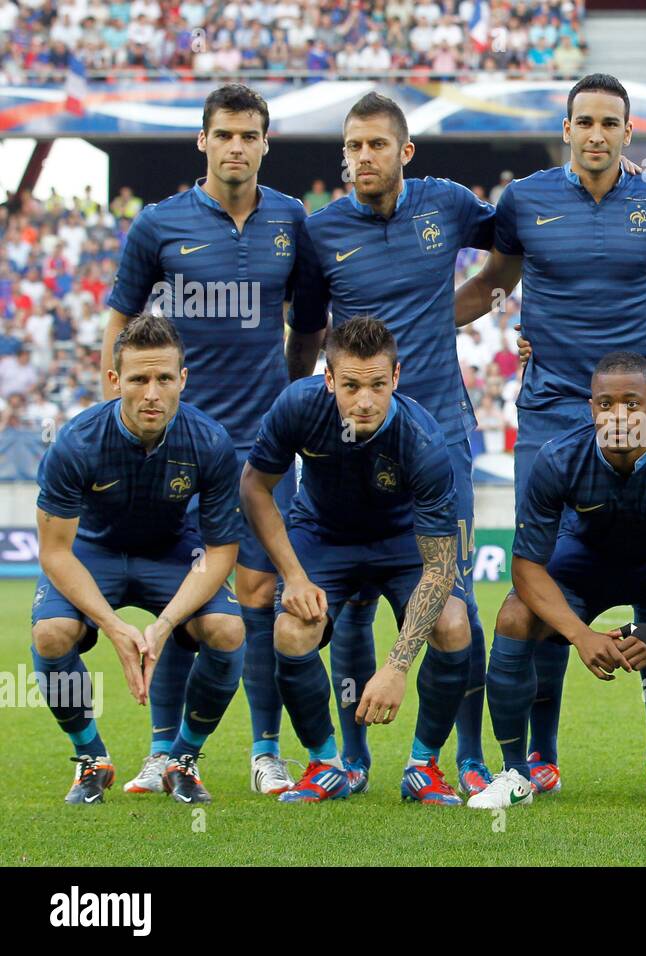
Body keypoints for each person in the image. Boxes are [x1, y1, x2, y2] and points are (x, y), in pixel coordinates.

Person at [454, 73, 646, 797]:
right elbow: (497, 280)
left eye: (609, 122)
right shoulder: (525, 201)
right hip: (555, 406)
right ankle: (540, 758)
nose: (595, 134)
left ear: (627, 132)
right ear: (566, 128)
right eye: (583, 121)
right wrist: (419, 325)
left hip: (641, 409)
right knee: (543, 578)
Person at [103, 84, 322, 798]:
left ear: (265, 143)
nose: (236, 146)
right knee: (184, 598)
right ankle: (163, 753)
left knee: (259, 593)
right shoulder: (159, 224)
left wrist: (288, 401)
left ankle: (266, 752)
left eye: (249, 135)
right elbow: (120, 320)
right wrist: (121, 401)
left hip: (260, 450)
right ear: (203, 140)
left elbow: (310, 325)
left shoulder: (292, 219)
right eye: (224, 134)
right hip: (178, 446)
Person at [295, 92, 495, 797]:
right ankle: (352, 758)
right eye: (352, 146)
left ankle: (456, 758)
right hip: (354, 441)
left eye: (376, 145)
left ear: (405, 151)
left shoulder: (448, 205)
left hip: (441, 433)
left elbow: (511, 258)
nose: (362, 158)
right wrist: (303, 416)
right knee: (346, 603)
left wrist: (460, 310)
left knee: (456, 604)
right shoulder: (322, 233)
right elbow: (308, 332)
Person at [467, 351, 646, 810]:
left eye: (631, 403)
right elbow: (525, 568)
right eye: (605, 404)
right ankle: (514, 774)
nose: (618, 416)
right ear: (591, 408)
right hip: (586, 567)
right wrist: (579, 635)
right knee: (514, 614)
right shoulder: (558, 458)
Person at [241, 318, 471, 804]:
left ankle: (422, 768)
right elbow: (254, 487)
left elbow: (439, 567)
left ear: (396, 378)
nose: (364, 400)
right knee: (291, 629)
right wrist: (294, 575)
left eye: (376, 385)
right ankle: (325, 765)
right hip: (322, 537)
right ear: (328, 380)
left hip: (400, 544)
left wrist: (396, 665)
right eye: (350, 385)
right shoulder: (297, 407)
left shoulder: (425, 442)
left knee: (453, 622)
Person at [33, 315, 245, 805]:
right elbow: (55, 551)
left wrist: (167, 623)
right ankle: (91, 758)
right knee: (50, 634)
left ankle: (182, 759)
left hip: (173, 554)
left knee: (228, 630)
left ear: (182, 380)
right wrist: (111, 626)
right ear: (114, 381)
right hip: (94, 553)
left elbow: (220, 552)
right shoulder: (75, 443)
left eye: (164, 379)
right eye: (138, 379)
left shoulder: (210, 442)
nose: (152, 393)